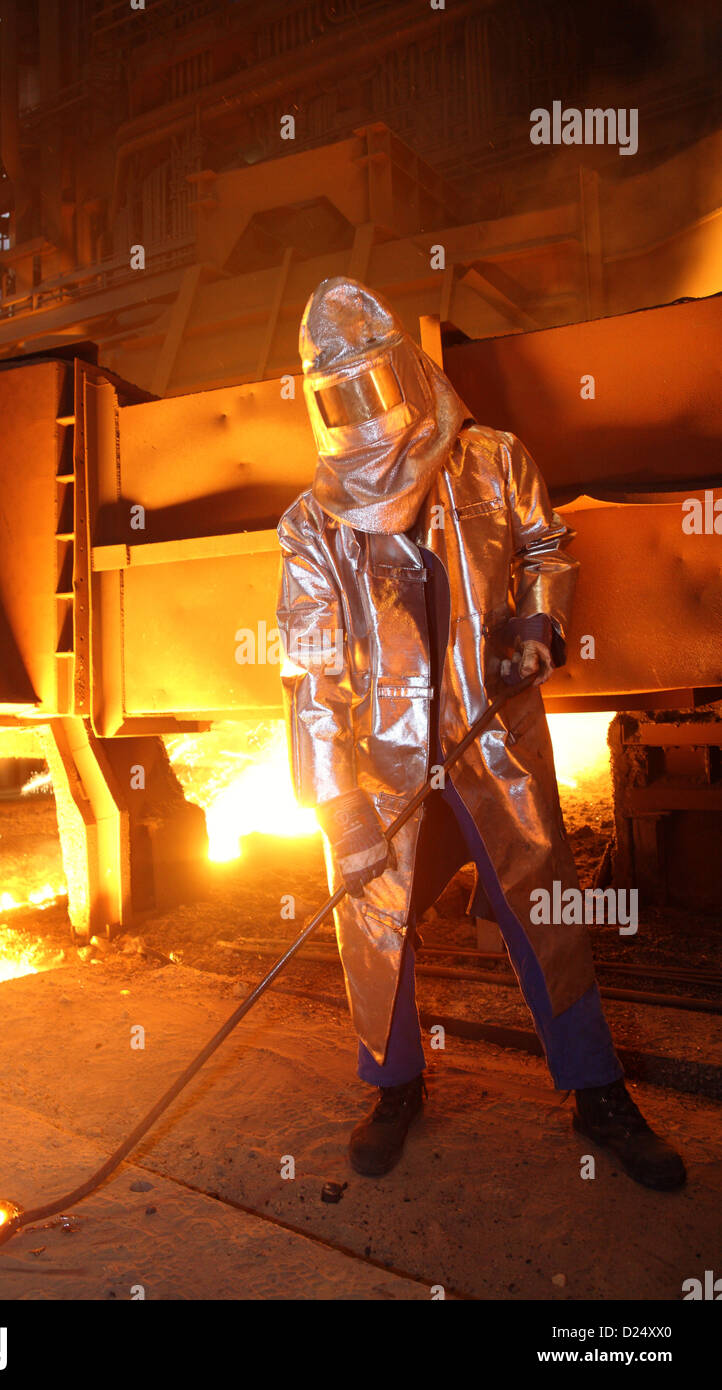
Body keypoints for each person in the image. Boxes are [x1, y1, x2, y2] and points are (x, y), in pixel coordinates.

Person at [276, 276, 685, 1191]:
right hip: (385, 774)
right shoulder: (311, 526)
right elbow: (311, 671)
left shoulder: (494, 460)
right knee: (375, 924)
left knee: (548, 918)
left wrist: (540, 620)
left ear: (411, 384)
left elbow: (547, 546)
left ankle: (599, 1094)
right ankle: (395, 1089)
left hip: (493, 750)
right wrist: (336, 799)